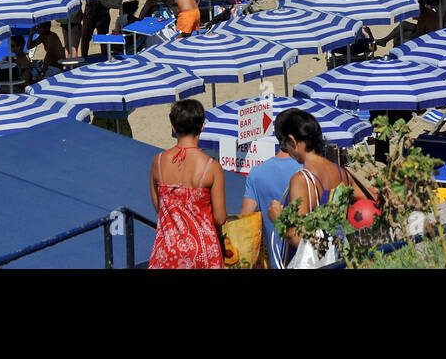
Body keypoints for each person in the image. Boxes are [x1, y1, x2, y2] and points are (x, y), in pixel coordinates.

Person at [267, 109, 361, 264]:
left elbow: (297, 237)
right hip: (340, 259)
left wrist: (278, 219)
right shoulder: (342, 173)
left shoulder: (302, 179)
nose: (287, 151)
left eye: (284, 145)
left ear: (292, 141)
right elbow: (373, 197)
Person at [148, 99, 226, 269]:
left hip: (168, 250)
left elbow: (159, 207)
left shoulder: (158, 161)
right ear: (202, 127)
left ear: (173, 128)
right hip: (203, 251)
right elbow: (220, 218)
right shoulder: (211, 167)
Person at [239, 109, 303, 268]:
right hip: (307, 258)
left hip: (276, 262)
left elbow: (245, 220)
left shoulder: (256, 173)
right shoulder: (307, 170)